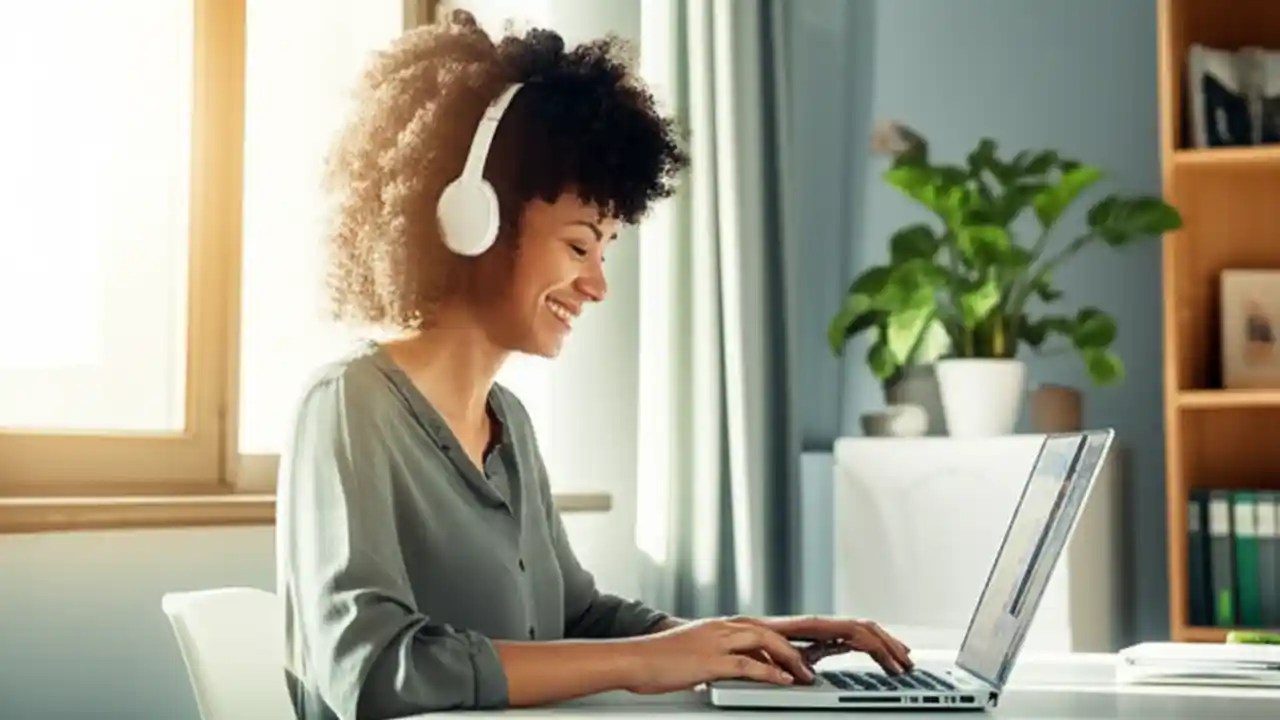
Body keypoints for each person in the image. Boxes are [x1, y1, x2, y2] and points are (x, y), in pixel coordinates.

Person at [276, 10, 913, 720]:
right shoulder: (348, 405)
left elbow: (574, 619)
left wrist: (737, 640)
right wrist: (647, 663)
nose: (598, 284)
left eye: (605, 251)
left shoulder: (506, 423)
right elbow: (370, 669)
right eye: (580, 246)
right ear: (474, 218)